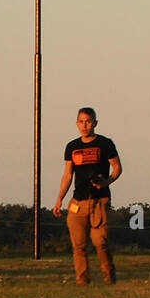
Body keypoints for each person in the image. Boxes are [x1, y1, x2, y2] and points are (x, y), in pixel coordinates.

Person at [52, 106, 121, 285]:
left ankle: (109, 275)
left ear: (95, 123)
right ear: (77, 123)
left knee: (100, 241)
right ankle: (82, 280)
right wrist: (59, 198)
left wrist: (105, 182)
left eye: (88, 121)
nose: (85, 125)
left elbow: (117, 168)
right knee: (79, 245)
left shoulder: (105, 143)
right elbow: (68, 174)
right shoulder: (72, 146)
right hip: (78, 201)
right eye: (81, 121)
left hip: (99, 201)